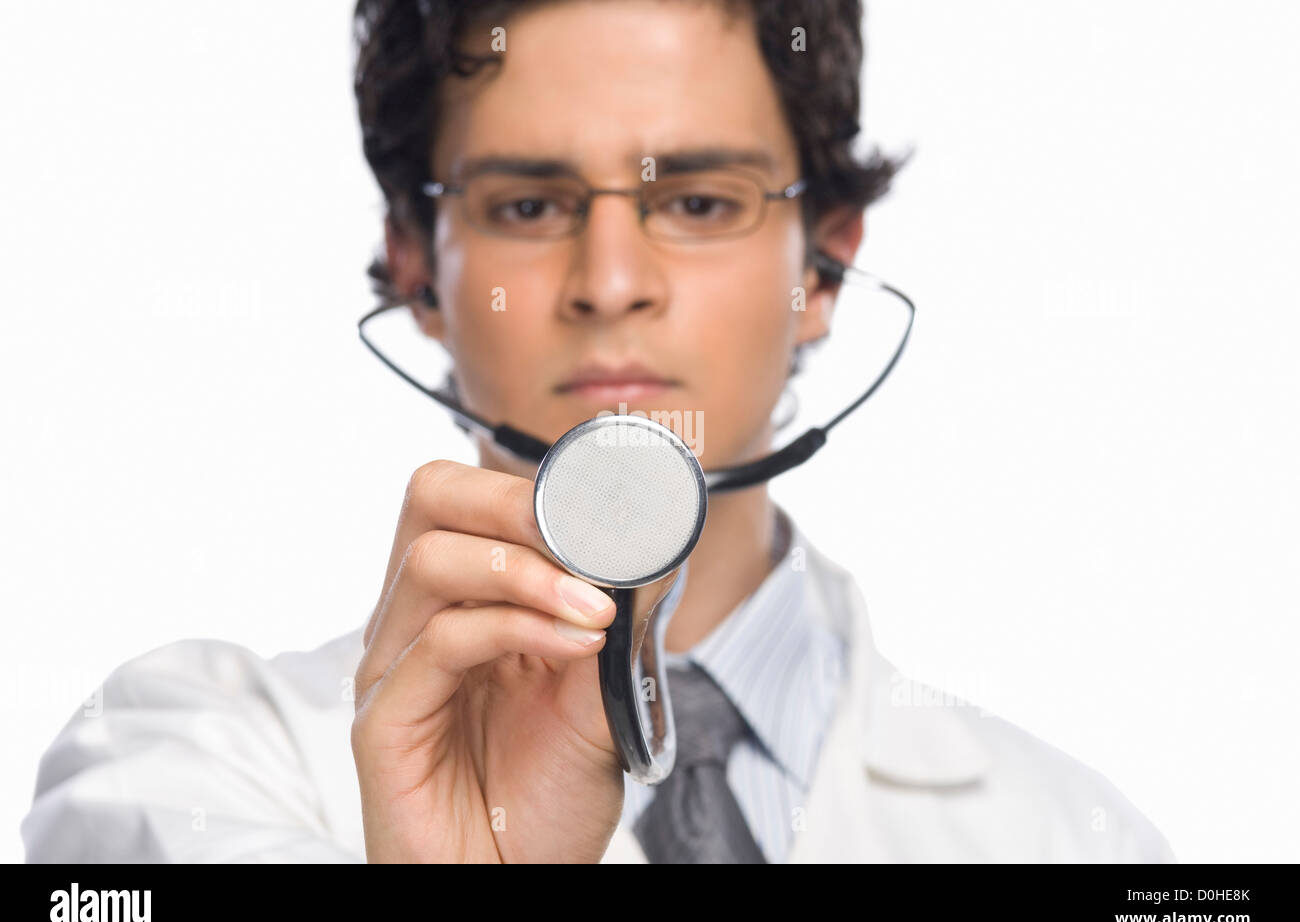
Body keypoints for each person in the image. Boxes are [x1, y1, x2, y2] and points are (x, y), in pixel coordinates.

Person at [21, 0, 1176, 863]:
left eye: (699, 202)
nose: (611, 281)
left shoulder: (1082, 841)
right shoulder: (178, 765)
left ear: (823, 263)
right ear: (420, 266)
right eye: (528, 206)